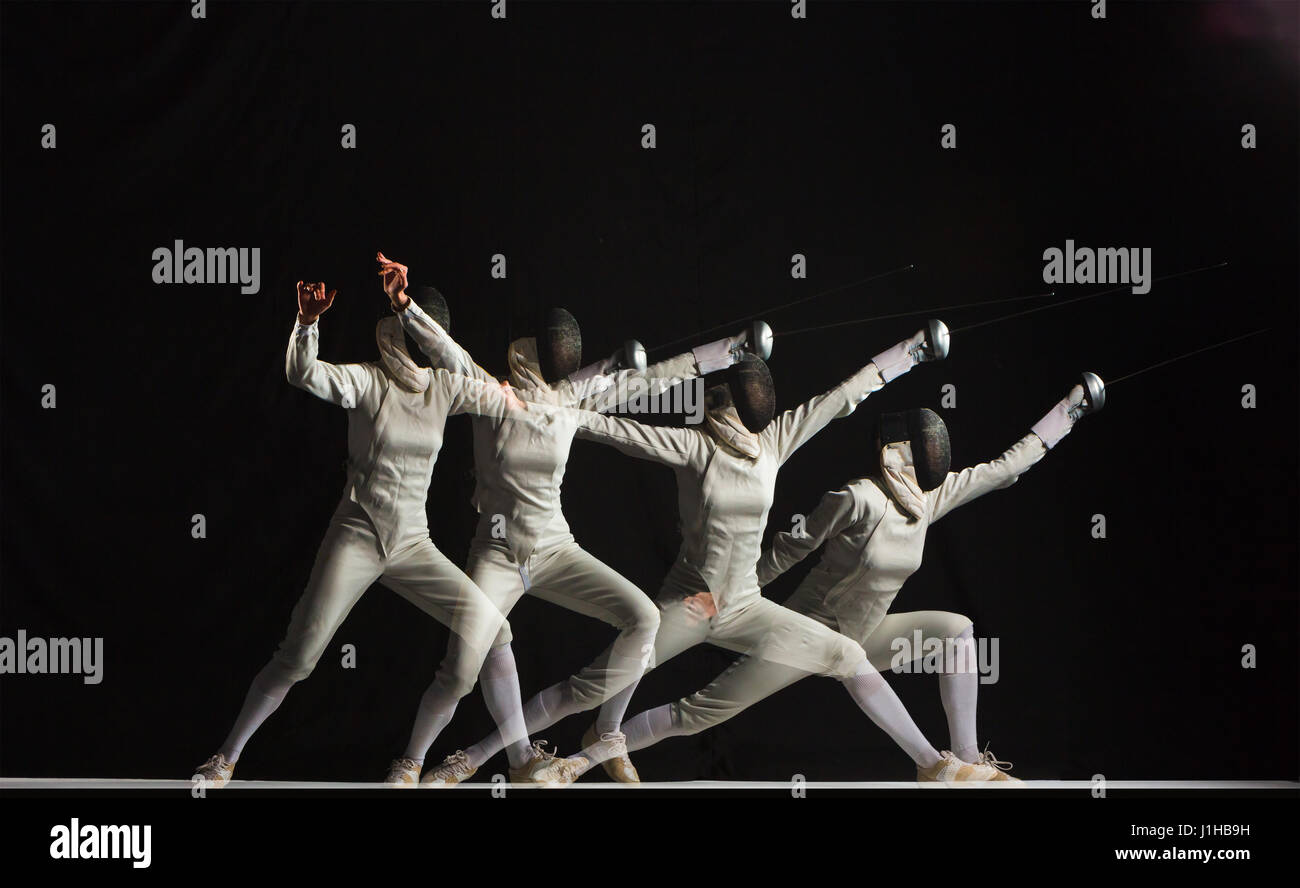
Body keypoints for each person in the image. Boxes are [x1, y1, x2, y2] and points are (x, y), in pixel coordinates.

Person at [554, 326, 1009, 783]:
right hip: (697, 600)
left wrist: (910, 353)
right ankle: (591, 739)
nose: (759, 398)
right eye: (747, 391)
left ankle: (939, 766)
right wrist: (556, 409)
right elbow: (613, 432)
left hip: (748, 604)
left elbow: (842, 396)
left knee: (838, 660)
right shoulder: (693, 446)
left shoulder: (775, 441)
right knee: (636, 663)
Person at [375, 254, 766, 785]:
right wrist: (405, 306)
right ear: (535, 352)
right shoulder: (491, 392)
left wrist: (731, 351)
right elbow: (447, 353)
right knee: (461, 671)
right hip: (499, 554)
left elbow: (649, 380)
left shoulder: (570, 398)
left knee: (644, 618)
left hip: (557, 549)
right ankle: (414, 760)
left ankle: (598, 728)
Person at [193, 280, 538, 787]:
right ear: (401, 332)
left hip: (413, 545)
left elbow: (496, 396)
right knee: (299, 657)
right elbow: (303, 372)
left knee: (496, 630)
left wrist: (507, 394)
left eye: (435, 337)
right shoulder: (368, 380)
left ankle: (440, 761)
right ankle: (226, 757)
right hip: (357, 534)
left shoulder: (445, 386)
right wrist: (306, 323)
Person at [762, 380, 1104, 781]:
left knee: (957, 631)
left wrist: (1070, 410)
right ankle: (937, 767)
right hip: (801, 632)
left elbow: (1003, 470)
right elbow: (791, 548)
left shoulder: (928, 501)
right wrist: (736, 596)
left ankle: (964, 764)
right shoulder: (857, 498)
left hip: (860, 635)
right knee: (698, 712)